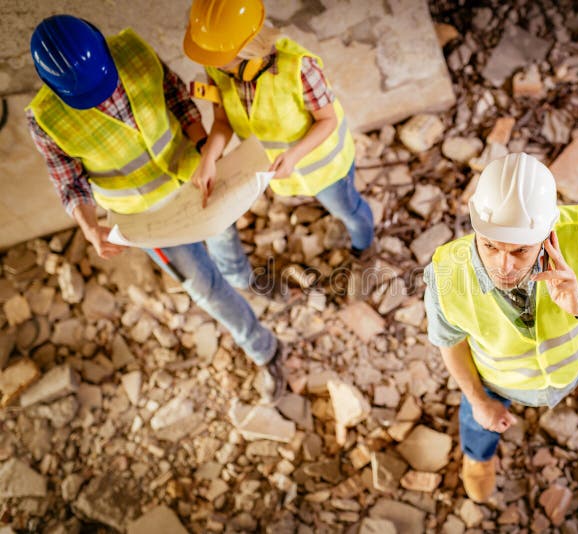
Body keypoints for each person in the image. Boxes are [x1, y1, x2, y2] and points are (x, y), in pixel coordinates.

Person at [26, 15, 284, 402]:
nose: (101, 98)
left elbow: (178, 100)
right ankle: (266, 350)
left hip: (193, 177)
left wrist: (204, 150)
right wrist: (90, 227)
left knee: (224, 233)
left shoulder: (134, 51)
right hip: (148, 219)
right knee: (205, 288)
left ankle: (241, 277)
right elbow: (69, 182)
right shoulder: (45, 119)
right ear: (54, 87)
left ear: (104, 46)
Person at [423, 153, 578, 503]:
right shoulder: (446, 272)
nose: (503, 266)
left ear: (546, 233)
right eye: (490, 245)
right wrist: (479, 400)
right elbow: (449, 343)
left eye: (520, 251)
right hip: (496, 379)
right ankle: (479, 455)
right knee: (477, 418)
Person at [182, 0, 374, 256]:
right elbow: (222, 121)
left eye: (219, 59)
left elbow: (327, 120)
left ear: (247, 48)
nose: (212, 64)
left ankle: (364, 245)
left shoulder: (299, 68)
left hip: (325, 170)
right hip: (285, 170)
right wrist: (209, 157)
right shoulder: (217, 65)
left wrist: (293, 156)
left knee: (348, 211)